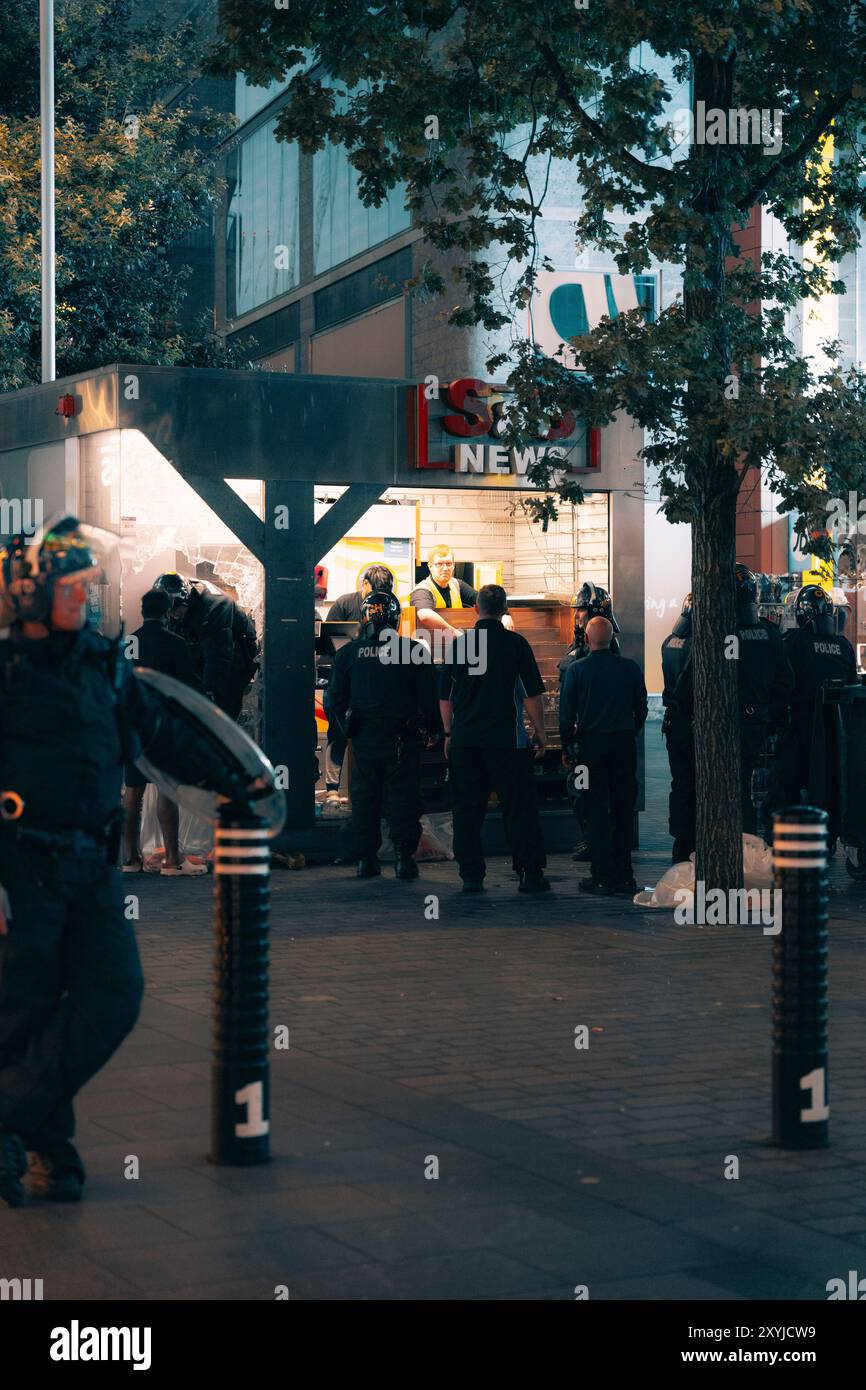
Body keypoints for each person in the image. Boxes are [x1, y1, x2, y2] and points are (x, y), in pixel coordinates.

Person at [0, 516, 257, 1208]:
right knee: (21, 1013)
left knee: (113, 996)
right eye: (70, 585)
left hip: (94, 863)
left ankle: (13, 1122)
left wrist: (238, 779)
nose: (84, 595)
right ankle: (49, 1149)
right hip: (21, 868)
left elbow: (162, 733)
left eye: (87, 583)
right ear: (31, 591)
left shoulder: (101, 663)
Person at [440, 583, 549, 894]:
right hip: (507, 743)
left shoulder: (459, 646)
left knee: (467, 810)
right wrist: (540, 733)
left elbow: (445, 698)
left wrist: (449, 733)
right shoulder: (516, 644)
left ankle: (471, 875)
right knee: (519, 808)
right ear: (504, 610)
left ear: (476, 609)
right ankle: (529, 874)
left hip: (466, 742)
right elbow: (530, 695)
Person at [328, 590, 442, 879]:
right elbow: (430, 697)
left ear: (364, 618)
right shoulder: (415, 651)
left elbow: (333, 701)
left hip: (364, 740)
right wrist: (436, 730)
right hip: (403, 740)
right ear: (395, 619)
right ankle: (404, 860)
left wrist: (346, 730)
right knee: (403, 798)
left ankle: (365, 861)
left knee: (364, 799)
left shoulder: (348, 655)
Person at [675, 565, 793, 839]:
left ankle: (731, 849)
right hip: (756, 723)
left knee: (724, 791)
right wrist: (767, 714)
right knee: (744, 787)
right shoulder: (769, 632)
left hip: (722, 725)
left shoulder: (718, 633)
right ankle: (747, 846)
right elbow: (786, 681)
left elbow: (688, 684)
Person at [560, 615, 647, 896]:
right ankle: (625, 873)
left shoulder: (577, 671)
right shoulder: (630, 668)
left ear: (586, 639)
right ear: (612, 639)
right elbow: (641, 707)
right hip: (623, 746)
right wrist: (630, 730)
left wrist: (567, 746)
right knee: (623, 808)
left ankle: (601, 874)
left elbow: (565, 715)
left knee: (594, 807)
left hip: (590, 749)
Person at [122, 587, 206, 876]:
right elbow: (188, 687)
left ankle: (129, 859)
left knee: (132, 793)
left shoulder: (128, 642)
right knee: (166, 789)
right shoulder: (174, 642)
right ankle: (172, 860)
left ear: (143, 611)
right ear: (168, 611)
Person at [772, 584, 858, 843]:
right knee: (830, 783)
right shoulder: (843, 646)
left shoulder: (794, 642)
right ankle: (829, 836)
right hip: (837, 730)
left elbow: (784, 681)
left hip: (801, 726)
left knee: (786, 782)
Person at [557, 581, 620, 859]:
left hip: (589, 738)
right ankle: (593, 839)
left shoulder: (600, 650)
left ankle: (596, 843)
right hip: (592, 738)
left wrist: (568, 741)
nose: (576, 616)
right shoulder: (582, 645)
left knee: (585, 791)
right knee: (581, 790)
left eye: (581, 610)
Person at [154, 572, 258, 719]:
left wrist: (210, 695)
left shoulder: (215, 607)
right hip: (203, 643)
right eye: (168, 612)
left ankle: (222, 733)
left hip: (237, 651)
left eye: (176, 611)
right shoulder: (174, 605)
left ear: (187, 601)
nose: (172, 616)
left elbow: (219, 657)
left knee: (221, 704)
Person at [411, 545, 515, 637]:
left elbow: (486, 601)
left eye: (448, 564)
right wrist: (457, 635)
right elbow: (424, 615)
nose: (445, 568)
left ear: (453, 566)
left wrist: (505, 614)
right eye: (439, 564)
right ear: (430, 566)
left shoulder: (457, 584)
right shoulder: (422, 590)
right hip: (433, 646)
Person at [660, 593, 695, 862]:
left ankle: (680, 844)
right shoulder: (698, 644)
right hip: (691, 721)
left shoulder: (670, 641)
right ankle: (691, 844)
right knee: (694, 785)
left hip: (673, 722)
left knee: (680, 784)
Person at [327, 563, 394, 624]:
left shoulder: (390, 606)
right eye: (376, 592)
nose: (379, 598)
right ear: (365, 583)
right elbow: (328, 633)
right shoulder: (343, 604)